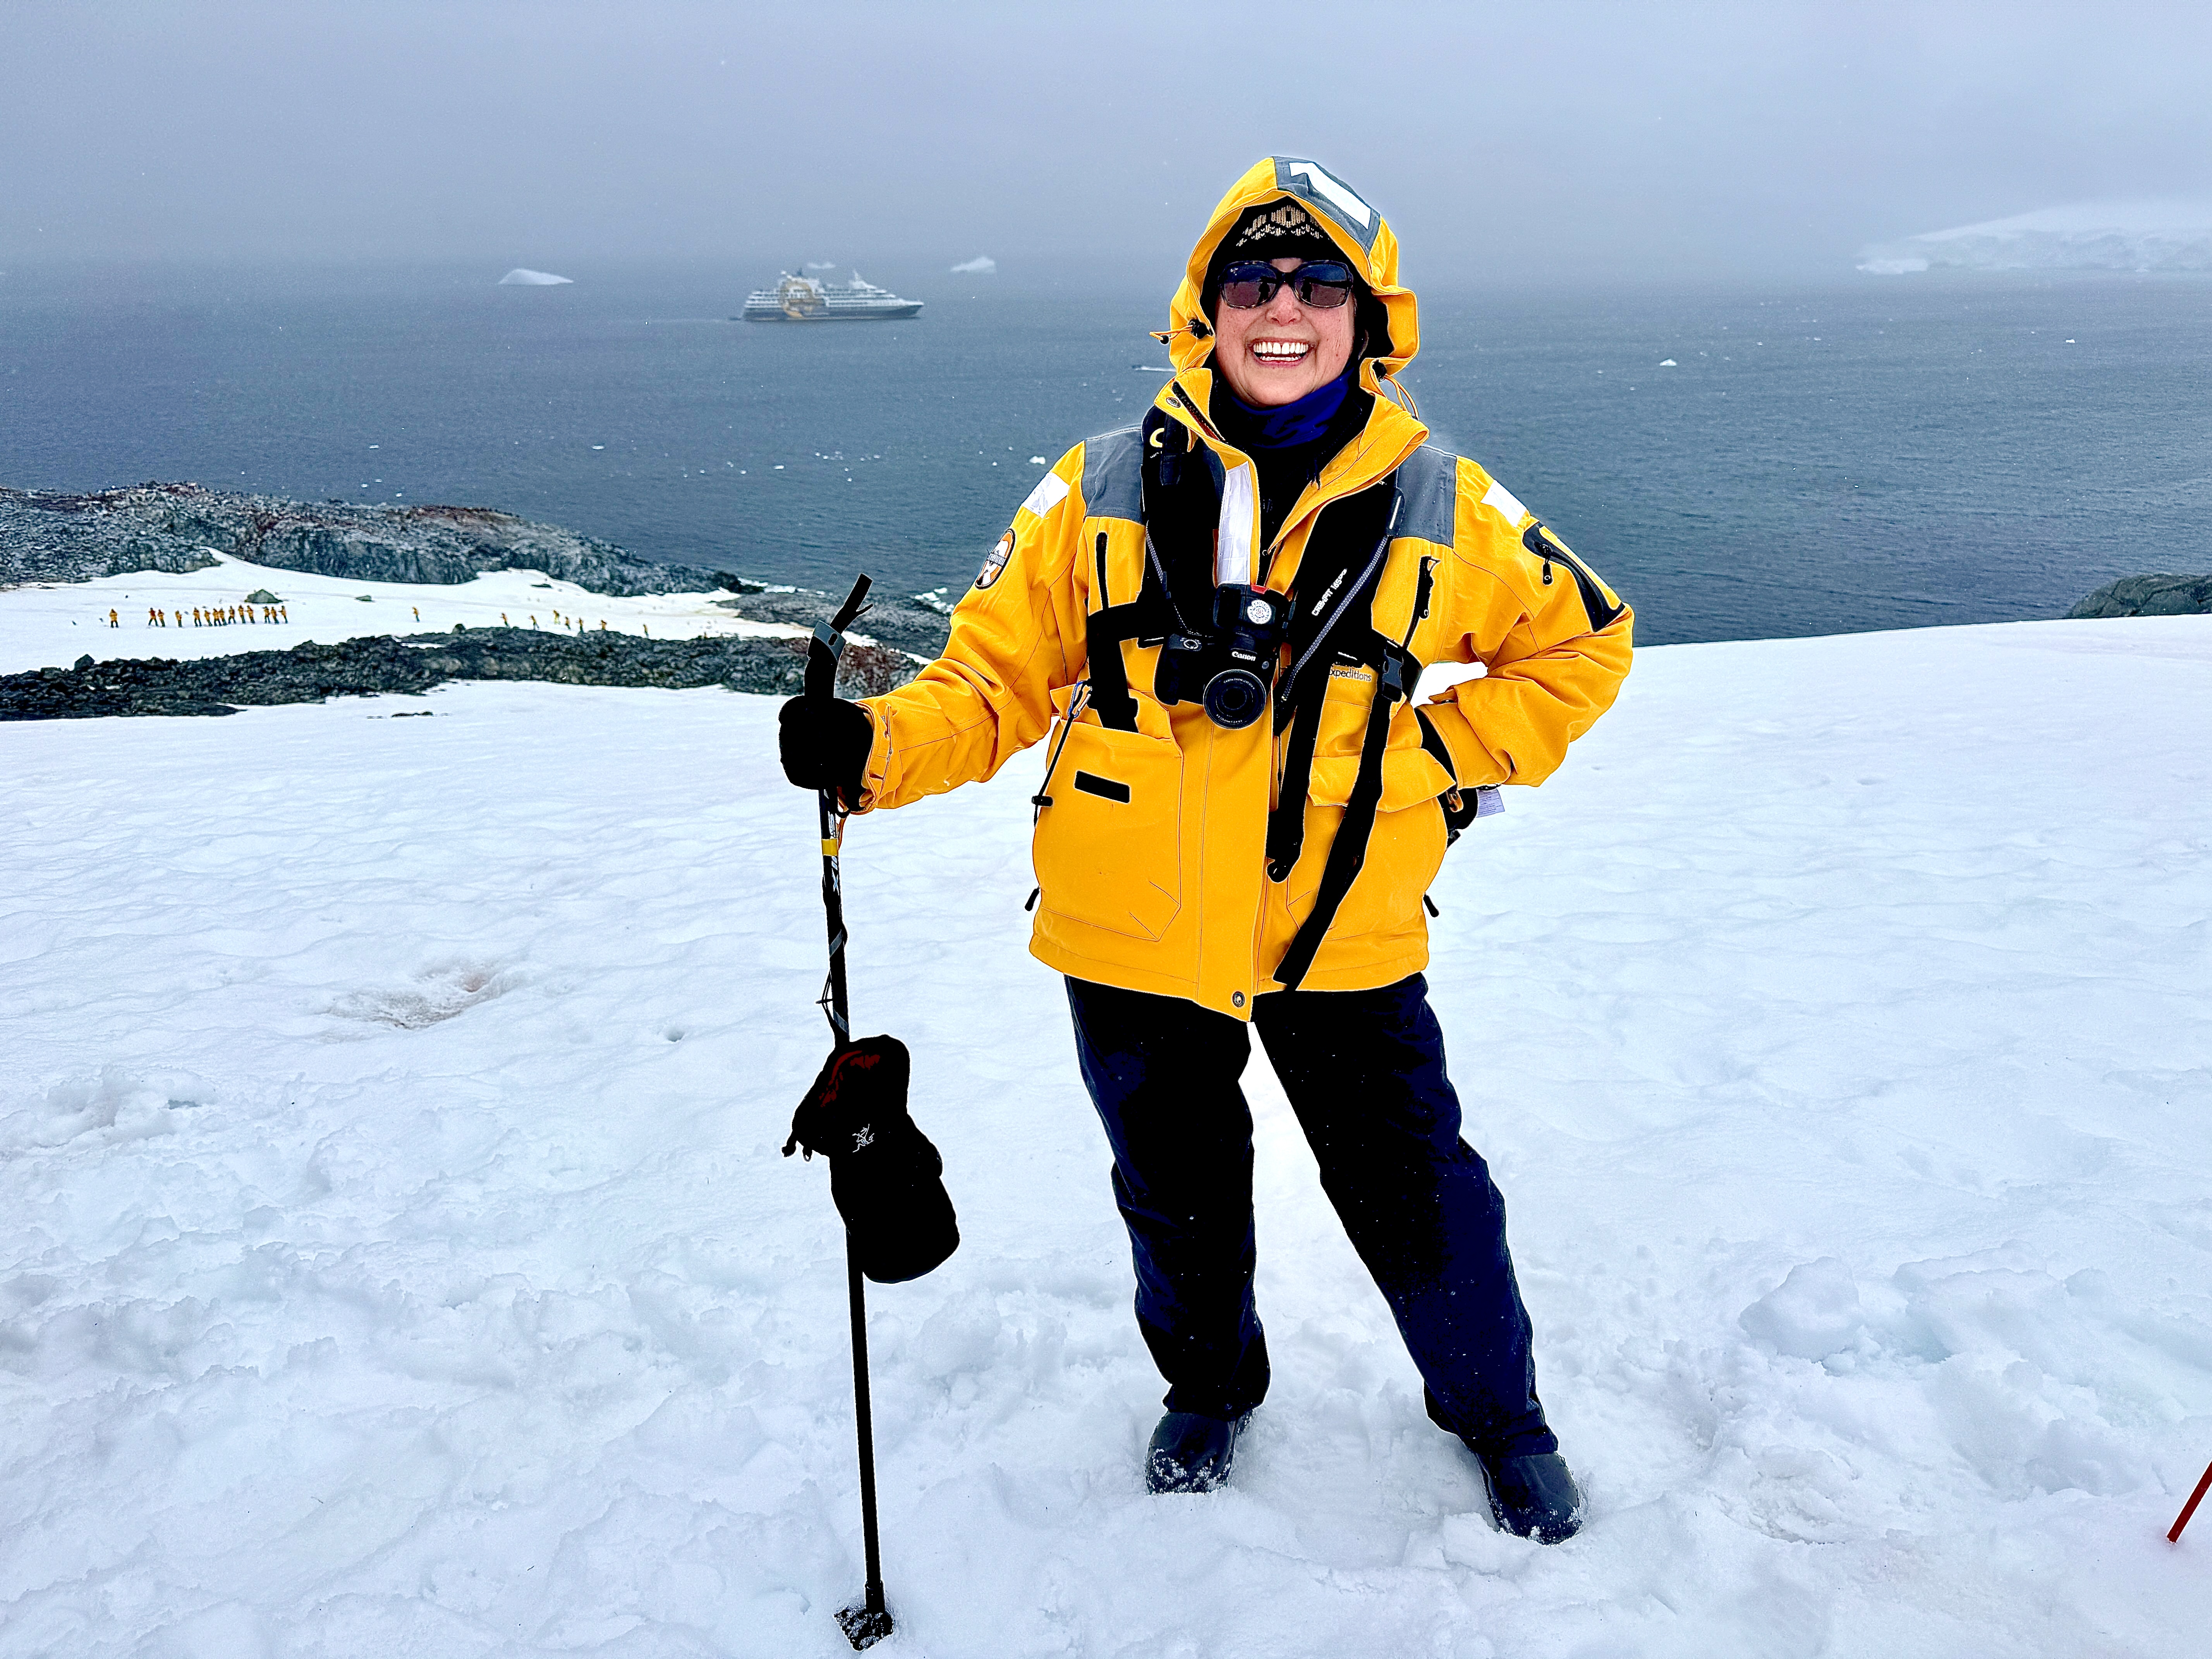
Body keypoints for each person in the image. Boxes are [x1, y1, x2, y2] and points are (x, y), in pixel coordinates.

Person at [778, 158, 1632, 1543]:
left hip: (1338, 925)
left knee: (1419, 1193)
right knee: (1175, 1197)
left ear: (1372, 318)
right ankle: (1210, 1387)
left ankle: (1500, 1415)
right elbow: (992, 684)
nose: (1281, 306)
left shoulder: (1443, 506)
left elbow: (1585, 642)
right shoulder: (1097, 486)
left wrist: (1433, 761)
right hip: (1132, 928)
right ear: (1205, 309)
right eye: (1253, 279)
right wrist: (873, 749)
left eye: (1317, 284)